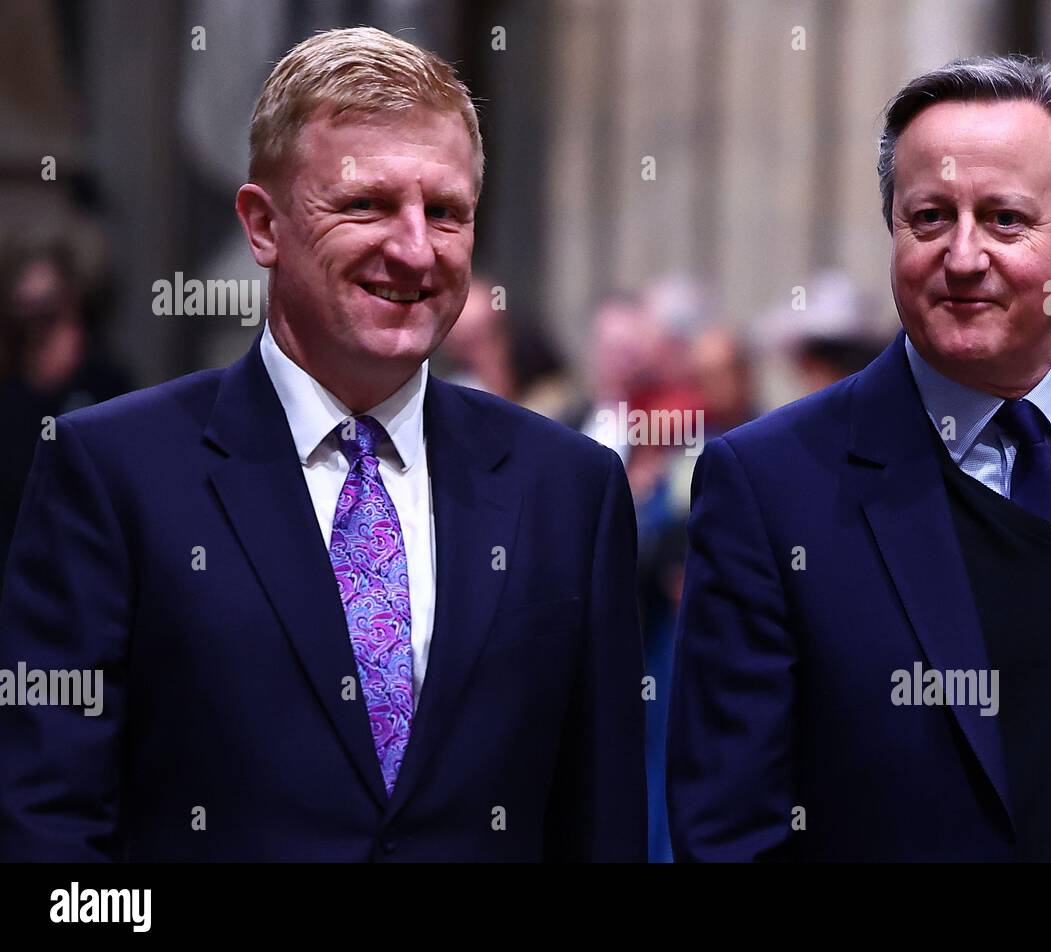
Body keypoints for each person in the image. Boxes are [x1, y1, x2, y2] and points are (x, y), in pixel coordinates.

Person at [0, 27, 646, 862]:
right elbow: (48, 833)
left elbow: (602, 829)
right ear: (262, 226)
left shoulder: (569, 490)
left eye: (445, 212)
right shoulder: (115, 472)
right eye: (366, 204)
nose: (415, 249)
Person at [668, 55, 1051, 862]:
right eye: (929, 218)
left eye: (1004, 219)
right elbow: (731, 835)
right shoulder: (772, 486)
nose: (963, 257)